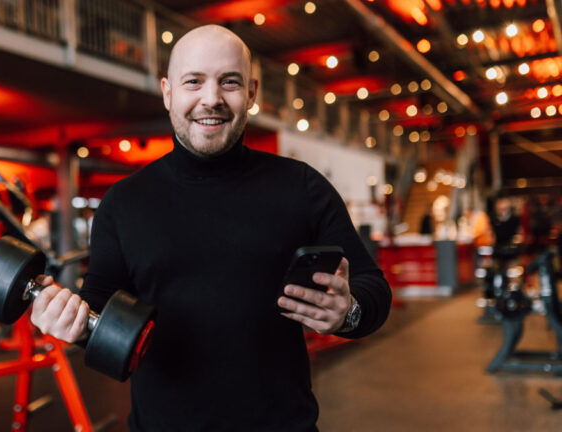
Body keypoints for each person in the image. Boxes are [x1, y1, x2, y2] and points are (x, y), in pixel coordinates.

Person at [30, 25, 391, 431]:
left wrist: (348, 313)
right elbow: (98, 313)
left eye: (229, 82)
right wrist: (68, 321)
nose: (212, 99)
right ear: (168, 92)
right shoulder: (123, 203)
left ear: (251, 92)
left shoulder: (303, 187)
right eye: (193, 82)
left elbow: (372, 288)